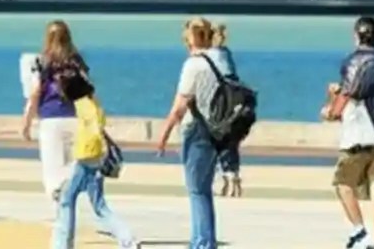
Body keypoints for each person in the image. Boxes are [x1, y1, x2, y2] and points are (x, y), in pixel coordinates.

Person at [320, 16, 374, 249]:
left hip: (361, 139)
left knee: (343, 184)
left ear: (357, 35)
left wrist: (332, 107)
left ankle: (360, 234)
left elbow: (349, 93)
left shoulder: (356, 62)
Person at [155, 16, 223, 249]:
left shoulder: (193, 65)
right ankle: (204, 239)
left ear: (191, 38)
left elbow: (179, 106)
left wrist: (163, 135)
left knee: (196, 190)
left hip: (196, 129)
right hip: (215, 130)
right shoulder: (218, 61)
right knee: (204, 190)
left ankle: (202, 242)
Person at [51, 74, 141, 249]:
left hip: (86, 157)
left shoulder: (83, 104)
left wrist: (93, 145)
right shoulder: (93, 102)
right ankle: (128, 240)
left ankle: (63, 244)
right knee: (99, 206)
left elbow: (93, 128)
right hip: (97, 157)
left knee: (67, 199)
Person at [21, 20, 90, 210]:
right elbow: (88, 91)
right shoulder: (77, 62)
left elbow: (35, 93)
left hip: (51, 120)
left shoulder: (42, 62)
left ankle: (60, 211)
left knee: (52, 174)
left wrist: (26, 122)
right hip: (75, 119)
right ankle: (68, 205)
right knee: (71, 167)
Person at [210, 23, 242, 198]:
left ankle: (226, 177)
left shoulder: (211, 55)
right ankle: (233, 177)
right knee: (231, 141)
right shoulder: (226, 53)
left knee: (217, 140)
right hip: (235, 98)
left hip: (221, 100)